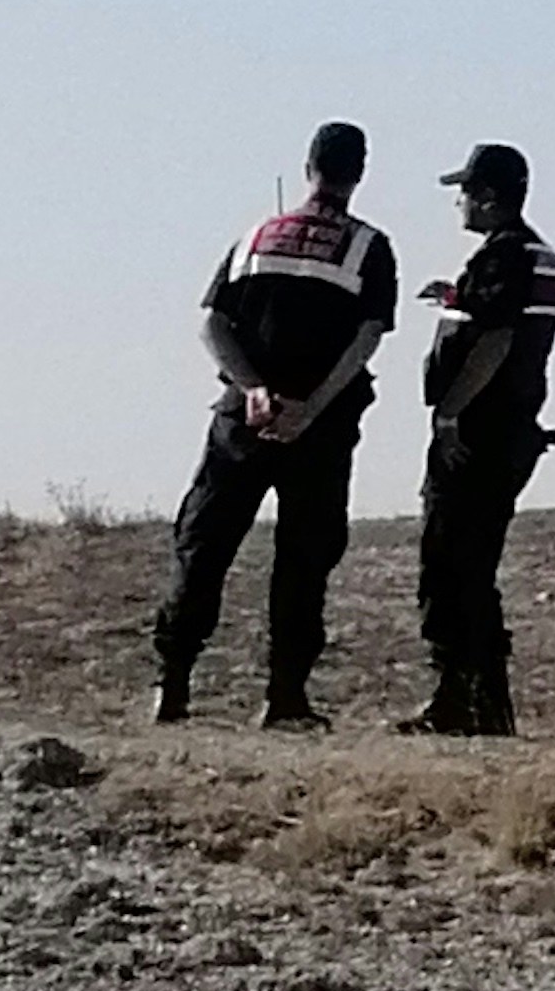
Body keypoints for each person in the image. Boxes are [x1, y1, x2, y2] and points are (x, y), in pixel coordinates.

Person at [156, 125, 400, 731]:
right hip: (320, 430)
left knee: (203, 548)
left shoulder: (257, 238)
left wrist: (253, 389)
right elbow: (366, 338)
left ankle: (173, 686)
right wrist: (311, 407)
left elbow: (212, 322)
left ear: (308, 166)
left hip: (242, 423)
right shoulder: (369, 247)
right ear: (360, 172)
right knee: (304, 562)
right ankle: (285, 696)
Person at [404, 145, 555, 738]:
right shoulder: (537, 257)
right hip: (512, 430)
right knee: (472, 567)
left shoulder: (503, 257)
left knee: (449, 567)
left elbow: (496, 340)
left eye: (466, 192)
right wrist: (457, 299)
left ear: (490, 198)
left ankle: (461, 704)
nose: (459, 203)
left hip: (479, 433)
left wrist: (450, 414)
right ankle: (485, 707)